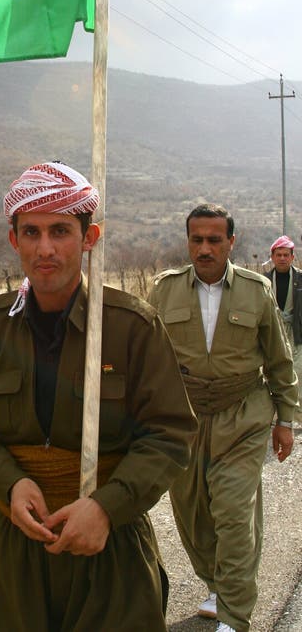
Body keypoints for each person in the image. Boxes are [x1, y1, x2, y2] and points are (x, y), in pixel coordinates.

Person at [0, 161, 197, 632]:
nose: (46, 248)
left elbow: (171, 434)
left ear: (89, 237)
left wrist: (106, 507)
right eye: (31, 232)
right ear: (14, 239)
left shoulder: (131, 328)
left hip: (111, 544)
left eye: (61, 230)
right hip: (22, 552)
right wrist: (10, 484)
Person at [148, 204, 297, 632]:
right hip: (186, 418)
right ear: (188, 242)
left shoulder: (256, 290)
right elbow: (148, 358)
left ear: (232, 242)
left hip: (243, 415)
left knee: (234, 513)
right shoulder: (165, 291)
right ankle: (215, 583)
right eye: (197, 240)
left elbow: (279, 359)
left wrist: (285, 419)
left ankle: (234, 615)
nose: (205, 248)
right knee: (193, 512)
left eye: (215, 240)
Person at [264, 235, 302, 425]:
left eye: (286, 255)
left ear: (292, 257)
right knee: (271, 374)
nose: (282, 258)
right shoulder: (263, 282)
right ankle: (272, 418)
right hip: (272, 334)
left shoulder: (300, 279)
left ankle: (298, 418)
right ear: (272, 256)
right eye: (278, 254)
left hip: (296, 334)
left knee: (298, 373)